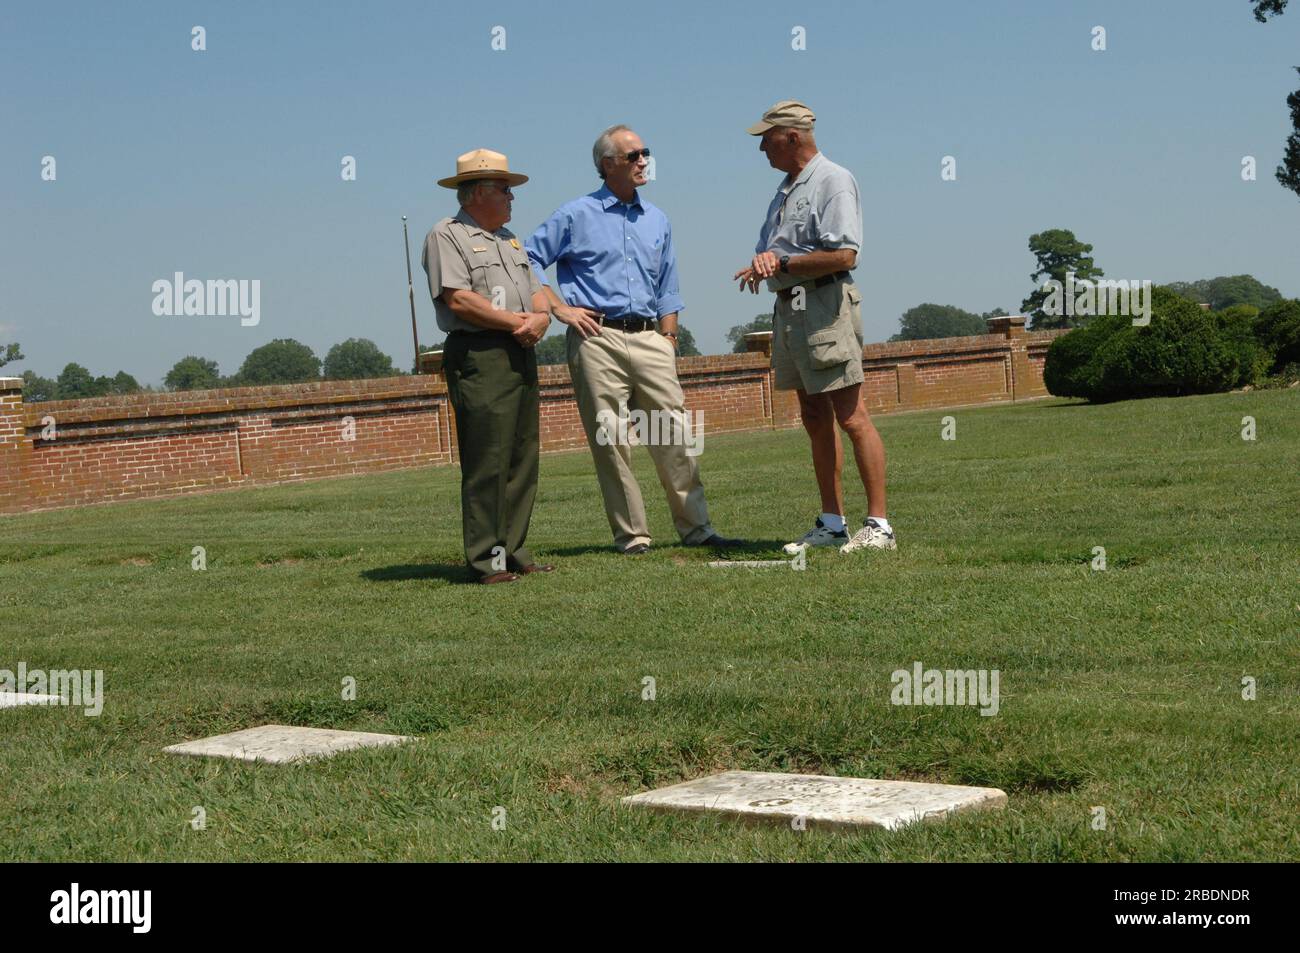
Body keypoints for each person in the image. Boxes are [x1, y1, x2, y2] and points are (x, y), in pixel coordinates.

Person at [526, 124, 741, 555]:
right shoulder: (574, 215)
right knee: (613, 441)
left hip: (650, 339)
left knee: (674, 435)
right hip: (596, 338)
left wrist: (669, 337)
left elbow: (668, 285)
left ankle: (698, 530)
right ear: (608, 166)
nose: (644, 161)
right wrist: (559, 308)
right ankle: (633, 536)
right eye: (634, 155)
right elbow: (525, 258)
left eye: (646, 153)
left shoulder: (658, 220)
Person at [733, 101, 897, 554]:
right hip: (789, 309)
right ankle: (831, 523)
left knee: (851, 415)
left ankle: (880, 526)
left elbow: (846, 254)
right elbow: (773, 251)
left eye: (766, 138)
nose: (761, 147)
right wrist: (764, 265)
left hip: (826, 305)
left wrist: (782, 261)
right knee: (813, 416)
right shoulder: (784, 190)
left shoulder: (833, 180)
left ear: (791, 136)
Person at [422, 148, 555, 584]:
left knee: (521, 457)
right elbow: (458, 298)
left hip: (520, 352)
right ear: (476, 193)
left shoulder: (509, 240)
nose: (512, 197)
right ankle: (486, 560)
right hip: (481, 355)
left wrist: (540, 318)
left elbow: (538, 293)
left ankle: (513, 550)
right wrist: (519, 322)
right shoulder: (447, 235)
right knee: (488, 460)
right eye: (504, 189)